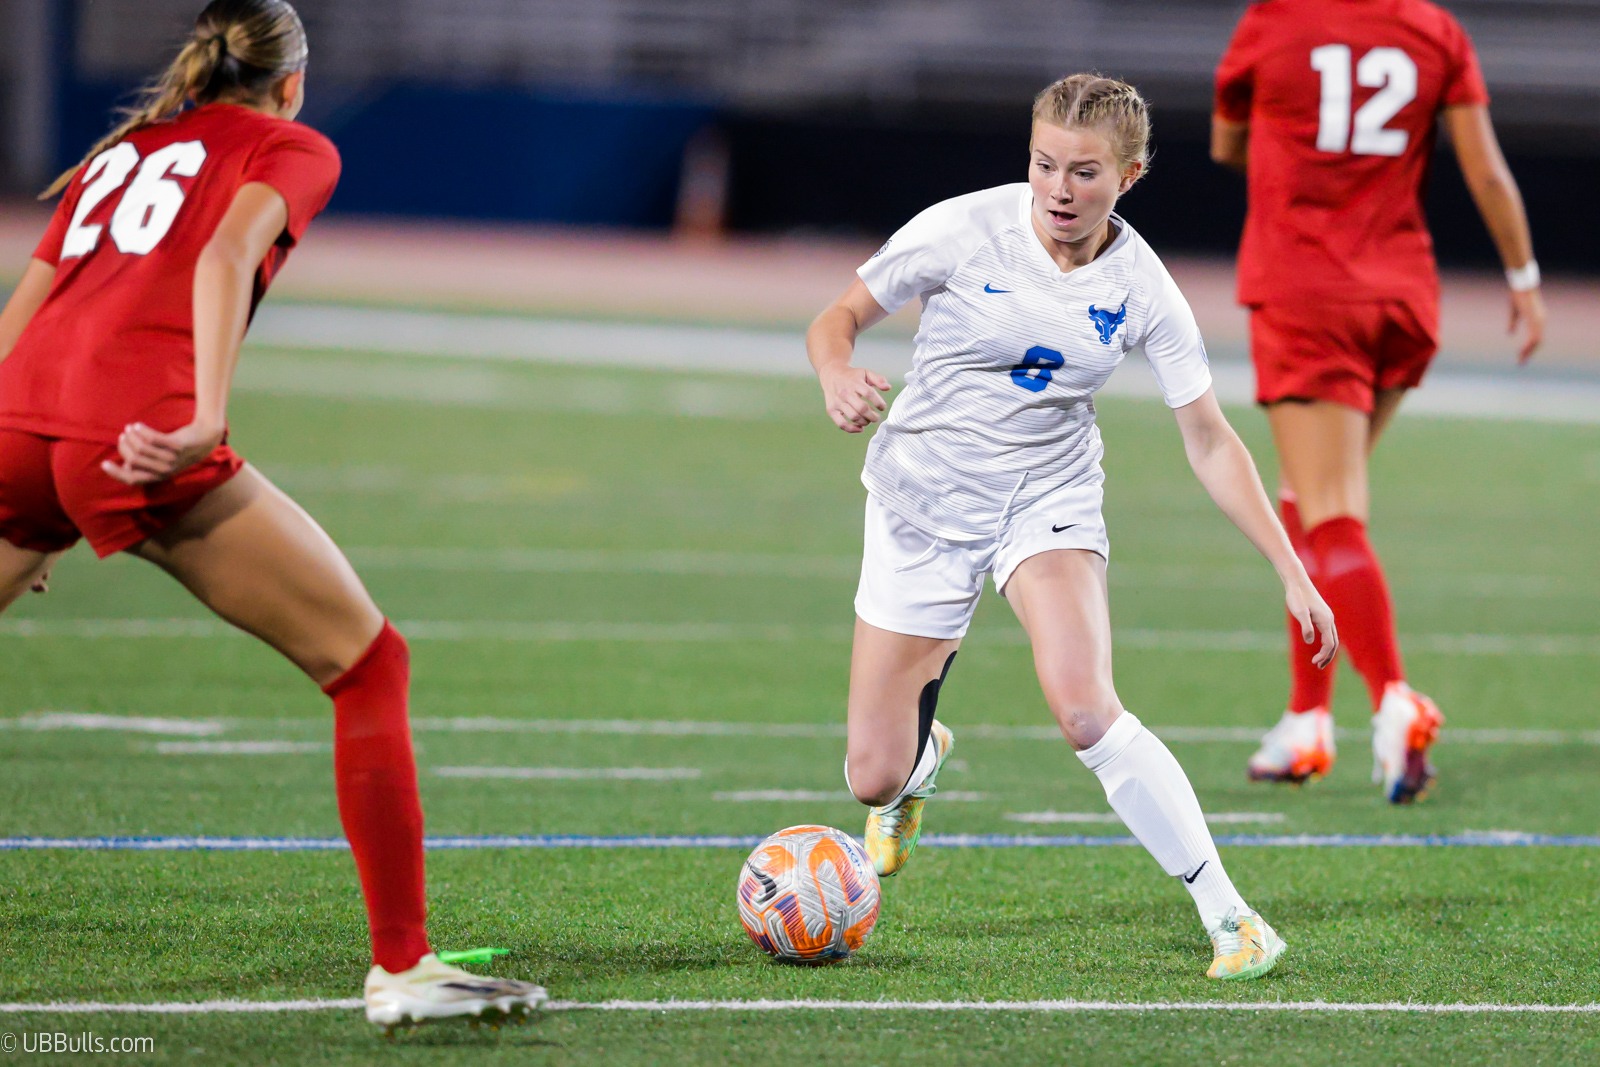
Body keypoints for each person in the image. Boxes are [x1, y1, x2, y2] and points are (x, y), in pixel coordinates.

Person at [0, 0, 545, 1032]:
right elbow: (222, 254)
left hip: (20, 416)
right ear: (290, 81)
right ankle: (404, 964)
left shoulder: (123, 150)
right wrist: (204, 416)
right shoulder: (293, 145)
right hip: (131, 429)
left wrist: (34, 490)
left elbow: (25, 309)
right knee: (369, 663)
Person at [806, 73, 1337, 980]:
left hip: (1044, 498)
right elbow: (838, 317)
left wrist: (1291, 569)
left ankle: (1232, 916)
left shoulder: (1143, 287)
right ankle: (919, 760)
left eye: (1084, 172)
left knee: (1087, 707)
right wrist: (836, 371)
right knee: (872, 775)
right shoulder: (964, 228)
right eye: (1044, 164)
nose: (1059, 189)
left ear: (1128, 176)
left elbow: (1210, 439)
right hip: (921, 502)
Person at [1213, 0, 1544, 803]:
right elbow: (1486, 170)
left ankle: (1393, 698)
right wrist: (1524, 276)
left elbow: (1228, 145)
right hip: (1401, 296)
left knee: (1330, 513)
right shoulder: (1434, 30)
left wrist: (1301, 163)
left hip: (1308, 290)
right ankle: (1305, 717)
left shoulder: (1274, 21)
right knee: (1305, 495)